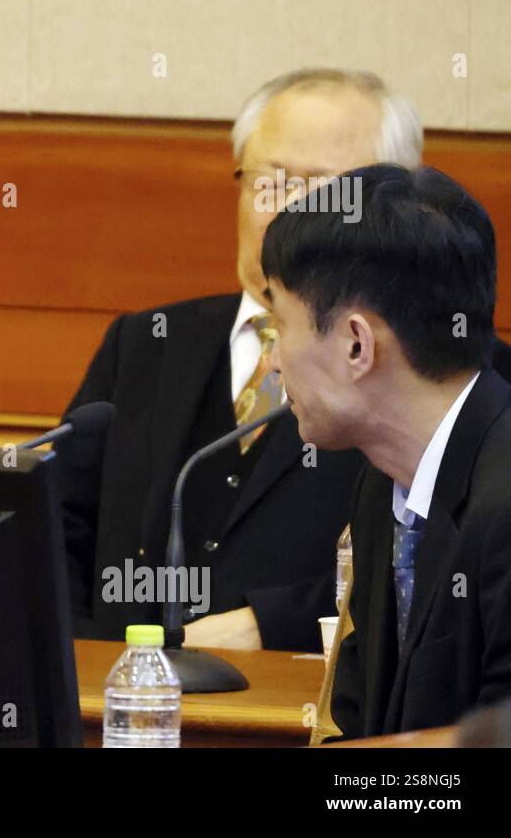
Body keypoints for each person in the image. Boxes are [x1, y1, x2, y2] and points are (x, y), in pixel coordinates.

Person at [54, 69, 422, 650]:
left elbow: (433, 562)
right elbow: (56, 525)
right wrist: (81, 665)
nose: (284, 210)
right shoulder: (146, 341)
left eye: (321, 188)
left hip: (317, 711)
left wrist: (273, 624)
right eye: (267, 183)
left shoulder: (426, 365)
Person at [263, 164, 511, 736]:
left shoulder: (503, 508)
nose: (274, 362)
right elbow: (361, 728)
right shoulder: (385, 486)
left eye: (280, 326)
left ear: (357, 344)